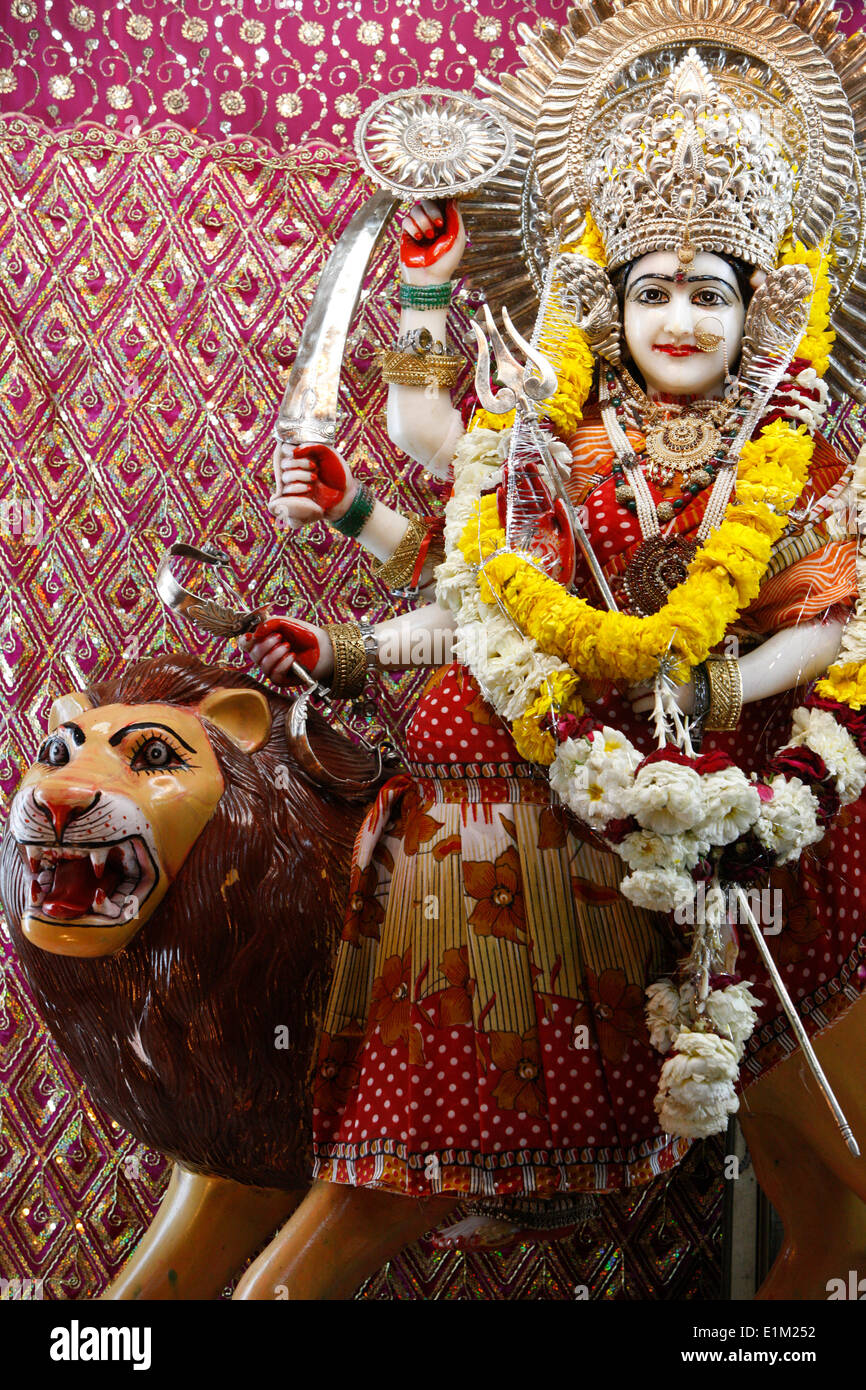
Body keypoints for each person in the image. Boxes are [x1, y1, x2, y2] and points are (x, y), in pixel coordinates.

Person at [235, 2, 866, 1299]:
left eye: (707, 292)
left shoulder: (799, 463)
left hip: (716, 795)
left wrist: (718, 690)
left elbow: (834, 633)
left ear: (756, 308)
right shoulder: (555, 445)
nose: (679, 317)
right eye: (652, 291)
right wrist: (420, 279)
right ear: (606, 304)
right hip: (544, 773)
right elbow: (467, 562)